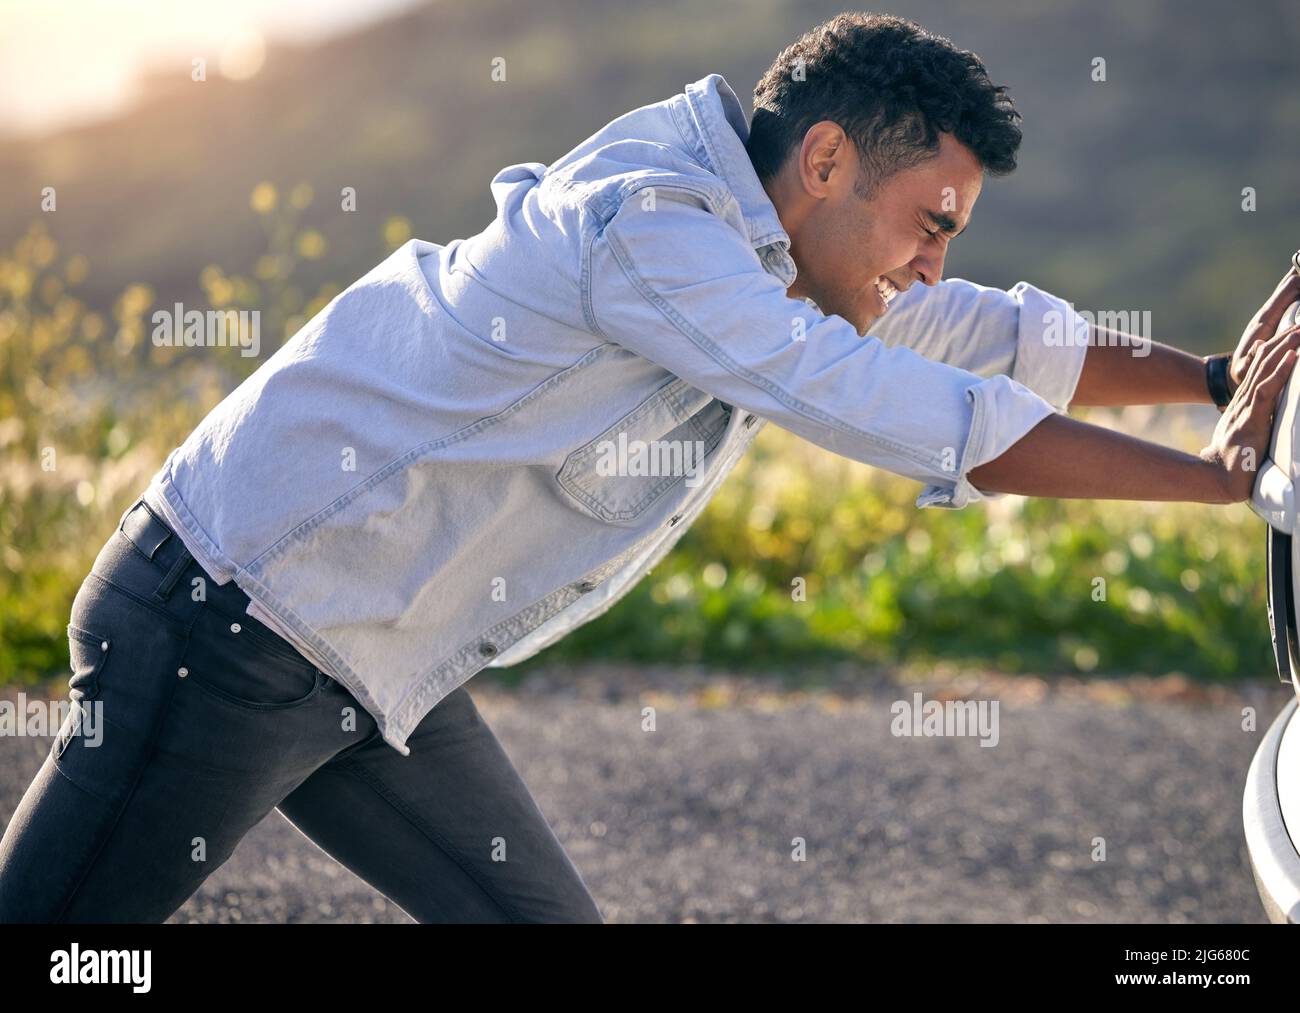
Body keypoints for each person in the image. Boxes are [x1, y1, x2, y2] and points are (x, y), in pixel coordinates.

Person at [1, 11, 1296, 924]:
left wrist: (1217, 386)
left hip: (369, 657)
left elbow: (991, 336)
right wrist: (1222, 480)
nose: (932, 265)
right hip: (224, 628)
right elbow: (908, 405)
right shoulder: (658, 227)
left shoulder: (781, 250)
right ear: (830, 160)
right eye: (931, 226)